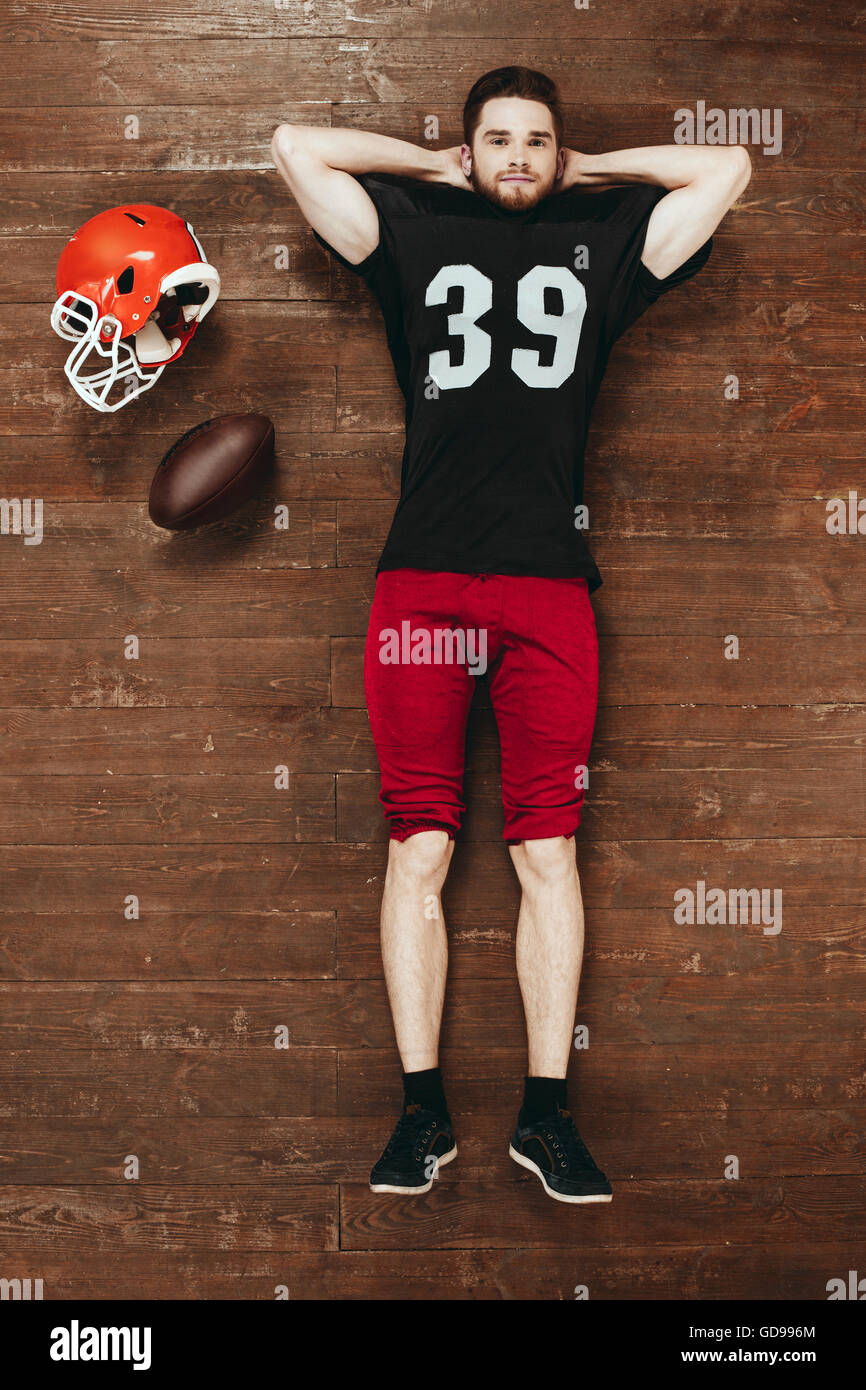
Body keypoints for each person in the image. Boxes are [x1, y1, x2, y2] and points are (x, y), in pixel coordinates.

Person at [271, 66, 750, 1203]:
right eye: (498, 139)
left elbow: (726, 167)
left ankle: (545, 1115)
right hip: (421, 582)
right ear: (469, 149)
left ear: (558, 150)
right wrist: (418, 161)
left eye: (539, 140)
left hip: (547, 585)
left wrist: (596, 168)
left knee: (545, 849)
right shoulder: (410, 230)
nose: (520, 156)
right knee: (420, 847)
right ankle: (420, 1111)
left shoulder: (606, 241)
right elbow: (292, 145)